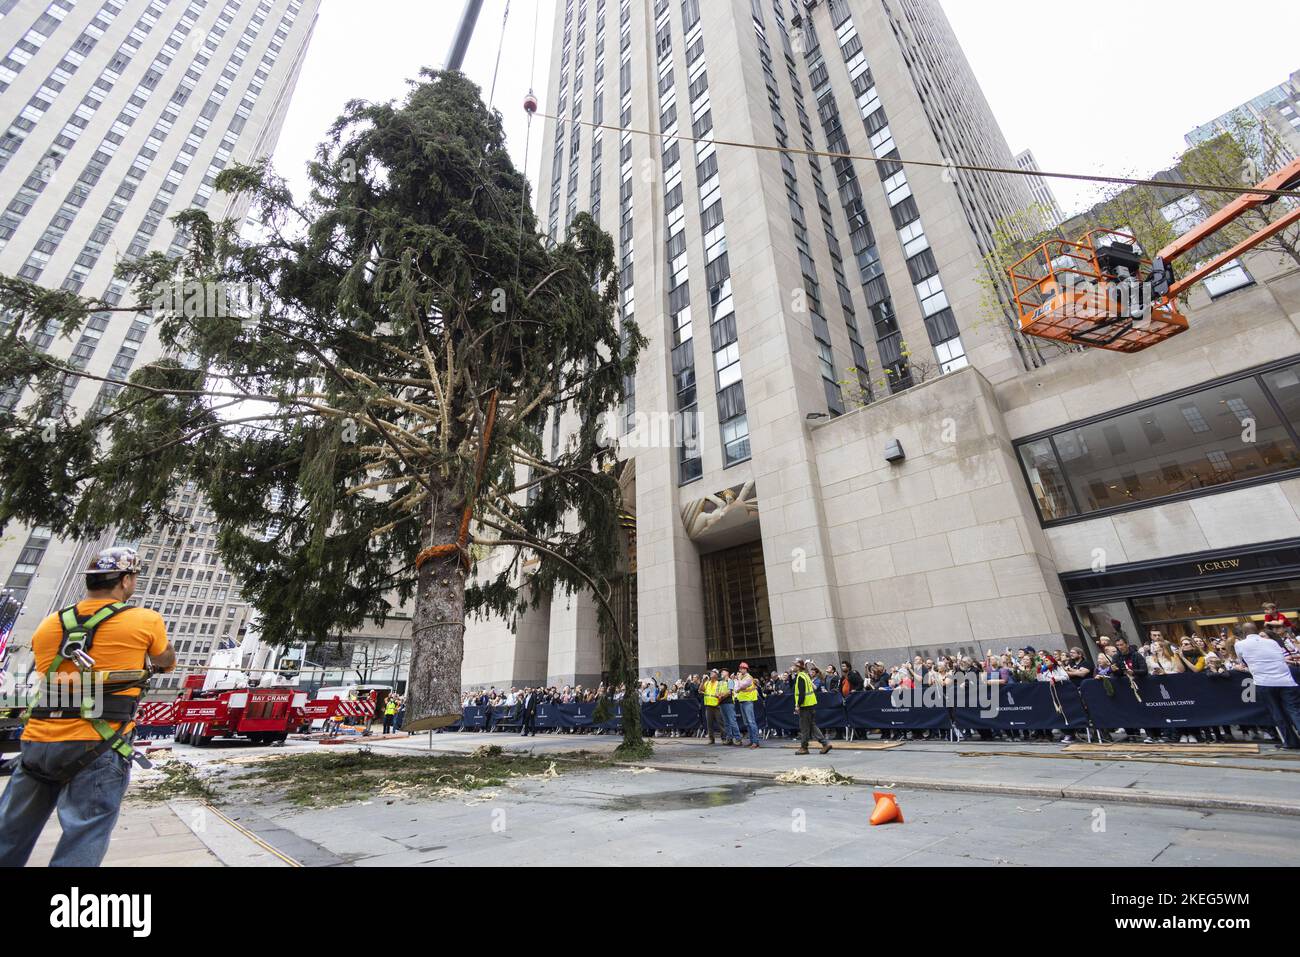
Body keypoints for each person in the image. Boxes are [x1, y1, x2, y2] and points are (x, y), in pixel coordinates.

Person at [0, 548, 175, 867]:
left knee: (9, 835)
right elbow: (167, 661)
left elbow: (54, 678)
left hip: (38, 744)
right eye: (132, 578)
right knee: (84, 837)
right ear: (125, 581)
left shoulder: (49, 625)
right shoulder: (143, 620)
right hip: (98, 745)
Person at [1234, 625, 1300, 749]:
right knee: (1295, 711)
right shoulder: (1271, 642)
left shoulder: (1240, 645)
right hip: (1285, 680)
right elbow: (1280, 657)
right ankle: (1291, 742)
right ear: (1256, 631)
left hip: (1264, 682)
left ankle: (1291, 742)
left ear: (1243, 632)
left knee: (1277, 713)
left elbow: (1242, 662)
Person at [791, 659, 832, 755]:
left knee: (804, 727)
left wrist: (798, 705)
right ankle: (825, 744)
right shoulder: (805, 675)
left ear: (798, 667)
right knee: (812, 725)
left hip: (805, 705)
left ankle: (804, 748)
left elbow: (801, 693)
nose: (792, 667)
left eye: (794, 665)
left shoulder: (801, 677)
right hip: (810, 704)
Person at [733, 662, 762, 749]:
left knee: (751, 721)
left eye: (742, 668)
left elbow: (741, 686)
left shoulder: (748, 677)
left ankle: (755, 742)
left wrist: (737, 679)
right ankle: (752, 741)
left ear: (746, 669)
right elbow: (736, 688)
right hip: (742, 701)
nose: (740, 670)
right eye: (740, 668)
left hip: (748, 701)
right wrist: (737, 680)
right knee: (747, 722)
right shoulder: (742, 677)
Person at [701, 669, 726, 744]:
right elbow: (701, 689)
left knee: (720, 723)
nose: (711, 673)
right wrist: (703, 681)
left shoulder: (719, 683)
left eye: (713, 672)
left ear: (716, 675)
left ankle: (724, 738)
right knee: (709, 724)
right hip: (708, 706)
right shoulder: (707, 682)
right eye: (711, 672)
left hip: (717, 705)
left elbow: (723, 694)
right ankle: (711, 739)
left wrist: (720, 697)